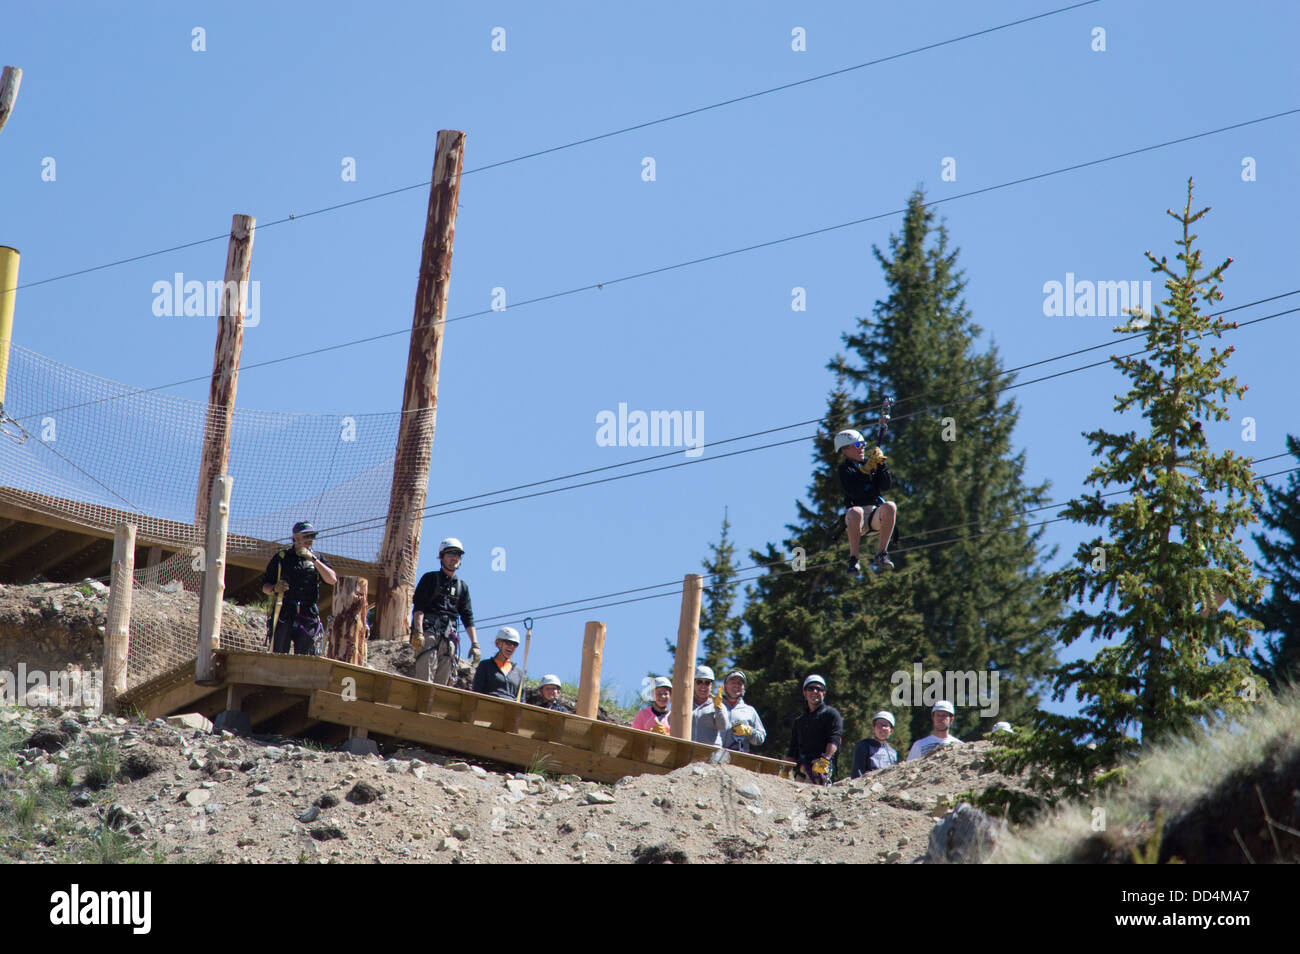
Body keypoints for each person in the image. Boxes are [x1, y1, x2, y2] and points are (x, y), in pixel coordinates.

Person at [262, 521, 338, 655]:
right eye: (306, 536)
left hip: (308, 614)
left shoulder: (318, 558)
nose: (310, 539)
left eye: (312, 536)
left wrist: (313, 559)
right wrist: (275, 588)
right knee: (279, 654)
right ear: (295, 537)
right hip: (284, 612)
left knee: (305, 656)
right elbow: (265, 586)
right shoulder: (282, 557)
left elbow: (332, 579)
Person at [410, 537, 478, 686]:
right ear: (441, 557)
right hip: (429, 633)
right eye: (450, 554)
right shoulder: (430, 579)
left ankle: (432, 709)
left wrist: (475, 644)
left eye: (457, 555)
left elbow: (467, 616)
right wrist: (419, 632)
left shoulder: (462, 587)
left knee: (441, 685)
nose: (454, 558)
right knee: (424, 678)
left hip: (449, 638)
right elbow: (419, 608)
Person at [834, 424, 896, 574]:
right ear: (845, 450)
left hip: (874, 515)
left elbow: (886, 485)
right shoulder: (845, 470)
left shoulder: (871, 464)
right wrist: (864, 472)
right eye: (857, 445)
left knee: (890, 506)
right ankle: (854, 559)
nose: (861, 448)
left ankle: (881, 553)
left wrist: (882, 466)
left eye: (862, 444)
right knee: (856, 511)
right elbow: (856, 493)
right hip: (856, 519)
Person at [786, 674, 843, 785]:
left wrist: (825, 759)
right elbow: (793, 750)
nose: (815, 691)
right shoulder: (800, 721)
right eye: (810, 688)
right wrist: (785, 771)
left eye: (819, 689)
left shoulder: (831, 714)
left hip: (821, 767)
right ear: (804, 693)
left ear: (824, 693)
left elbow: (834, 739)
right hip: (802, 769)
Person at [720, 670, 767, 752]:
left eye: (740, 683)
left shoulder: (750, 711)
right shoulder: (715, 707)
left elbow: (761, 738)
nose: (736, 685)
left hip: (738, 759)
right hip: (712, 756)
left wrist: (749, 731)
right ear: (725, 685)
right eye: (733, 682)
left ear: (743, 688)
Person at [471, 627, 523, 700]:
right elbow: (476, 692)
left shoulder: (519, 674)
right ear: (498, 643)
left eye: (515, 644)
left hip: (511, 709)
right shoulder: (485, 666)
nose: (511, 646)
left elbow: (522, 701)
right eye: (508, 643)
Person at [690, 665, 731, 746]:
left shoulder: (718, 706)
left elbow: (723, 727)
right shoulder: (686, 705)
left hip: (711, 753)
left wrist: (718, 708)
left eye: (707, 682)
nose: (703, 686)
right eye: (699, 682)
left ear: (711, 685)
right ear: (694, 683)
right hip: (688, 751)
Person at [850, 710, 898, 777]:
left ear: (891, 730)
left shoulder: (893, 753)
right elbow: (857, 772)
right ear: (873, 728)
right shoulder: (864, 746)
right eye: (879, 725)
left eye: (886, 725)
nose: (883, 728)